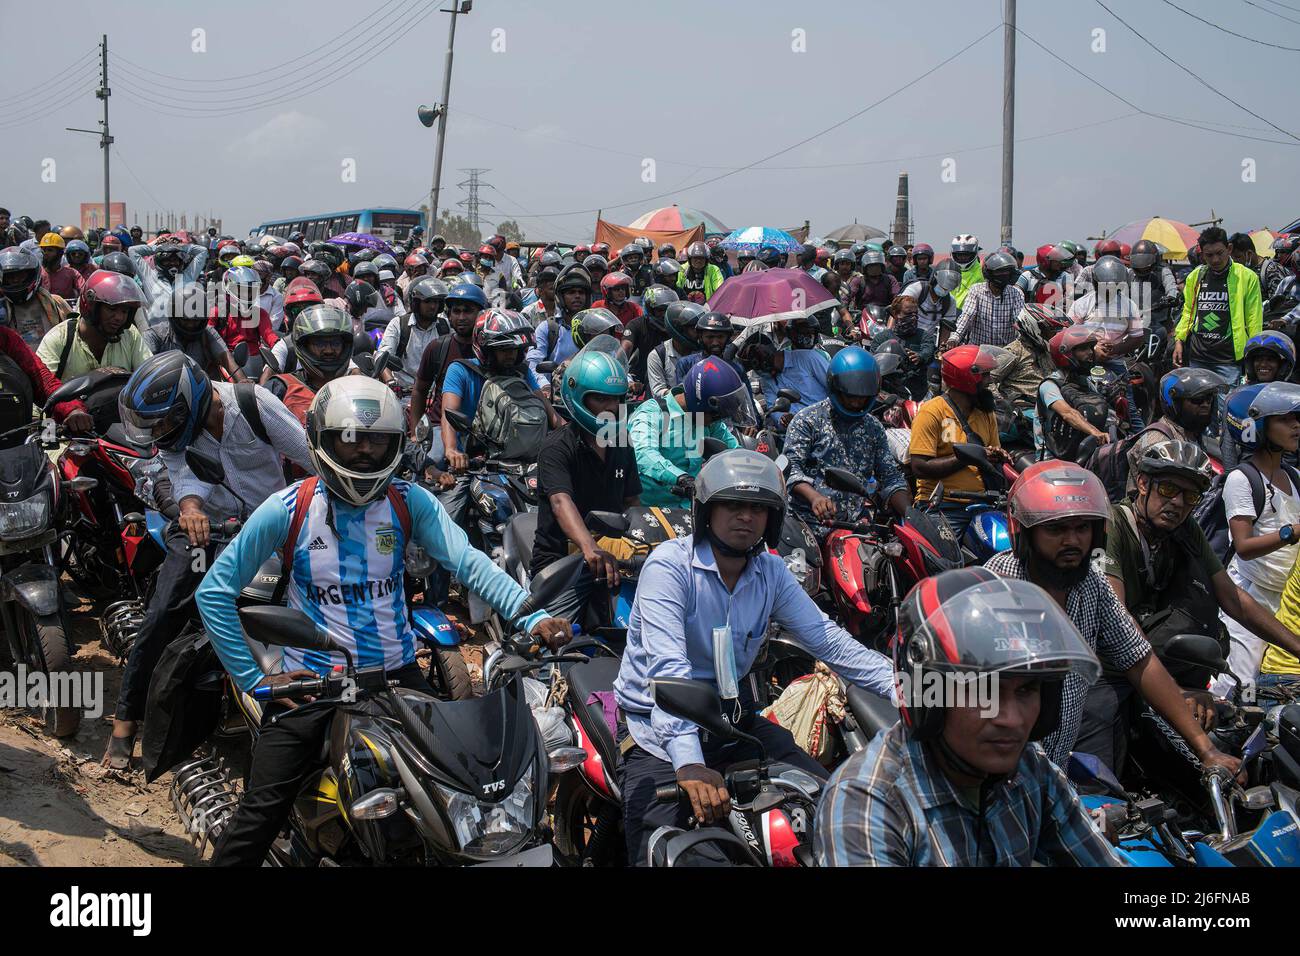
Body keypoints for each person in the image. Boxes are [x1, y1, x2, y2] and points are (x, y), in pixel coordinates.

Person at [196, 376, 571, 865]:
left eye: (378, 442)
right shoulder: (291, 508)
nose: (364, 454)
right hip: (316, 687)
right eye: (350, 441)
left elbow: (468, 562)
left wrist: (531, 614)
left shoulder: (408, 501)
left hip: (398, 679)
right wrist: (257, 680)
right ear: (320, 441)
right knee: (259, 815)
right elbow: (214, 592)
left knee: (463, 793)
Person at [614, 449, 896, 865]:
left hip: (733, 722)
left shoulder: (771, 572)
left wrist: (906, 688)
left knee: (838, 813)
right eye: (733, 504)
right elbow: (668, 673)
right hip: (658, 733)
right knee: (669, 854)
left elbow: (828, 641)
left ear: (772, 518)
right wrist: (690, 764)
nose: (745, 516)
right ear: (706, 511)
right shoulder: (670, 567)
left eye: (758, 508)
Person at [815, 567, 1124, 866]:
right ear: (929, 696)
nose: (1013, 719)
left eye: (1028, 689)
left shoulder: (1030, 769)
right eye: (983, 691)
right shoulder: (868, 804)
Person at [105, 352, 313, 769]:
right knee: (163, 612)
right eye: (154, 426)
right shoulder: (175, 439)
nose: (160, 433)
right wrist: (192, 509)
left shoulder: (255, 404)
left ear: (190, 401)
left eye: (164, 422)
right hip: (206, 528)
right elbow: (182, 475)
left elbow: (311, 457)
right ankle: (126, 719)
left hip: (271, 526)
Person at [1098, 442, 1300, 765]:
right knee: (1104, 782)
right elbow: (1121, 628)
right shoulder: (1113, 525)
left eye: (1189, 497)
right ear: (1142, 484)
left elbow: (1234, 599)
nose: (1177, 503)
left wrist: (1297, 647)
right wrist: (1174, 695)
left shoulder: (1185, 530)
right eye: (1167, 489)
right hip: (1108, 673)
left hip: (1158, 670)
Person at [531, 340, 642, 620]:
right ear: (578, 397)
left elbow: (632, 503)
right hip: (563, 561)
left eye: (616, 399)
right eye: (601, 399)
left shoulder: (620, 442)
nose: (611, 407)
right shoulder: (557, 446)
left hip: (614, 557)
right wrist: (588, 547)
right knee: (553, 641)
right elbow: (560, 501)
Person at [1210, 383, 1300, 699]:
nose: (1296, 425)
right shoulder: (1242, 479)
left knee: (1274, 691)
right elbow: (1244, 547)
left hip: (1283, 599)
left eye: (1296, 417)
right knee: (1237, 689)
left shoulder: (1293, 477)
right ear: (1256, 425)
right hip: (1248, 596)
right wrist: (1292, 532)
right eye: (1284, 419)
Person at [784, 347, 909, 534]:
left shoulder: (874, 428)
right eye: (850, 396)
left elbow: (890, 475)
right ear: (835, 387)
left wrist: (912, 515)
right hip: (809, 524)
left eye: (863, 397)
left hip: (856, 525)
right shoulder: (807, 420)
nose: (856, 403)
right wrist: (815, 497)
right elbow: (791, 469)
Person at [909, 344, 1010, 538]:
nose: (989, 381)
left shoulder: (986, 414)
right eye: (985, 375)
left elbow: (990, 455)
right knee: (946, 563)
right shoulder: (932, 412)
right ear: (967, 378)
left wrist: (997, 457)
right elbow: (919, 466)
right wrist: (969, 457)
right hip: (944, 506)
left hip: (983, 503)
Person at [629, 357, 751, 507]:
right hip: (651, 512)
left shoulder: (710, 420)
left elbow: (733, 450)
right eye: (717, 415)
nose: (718, 420)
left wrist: (751, 467)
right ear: (698, 401)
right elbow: (643, 453)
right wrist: (681, 478)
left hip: (693, 509)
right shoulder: (652, 412)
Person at [1172, 226, 1262, 392]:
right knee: (1198, 409)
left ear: (1229, 249)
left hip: (1228, 361)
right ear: (1202, 255)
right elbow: (1188, 312)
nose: (1215, 260)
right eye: (1209, 255)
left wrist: (1253, 357)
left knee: (1224, 411)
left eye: (1219, 253)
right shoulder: (1195, 276)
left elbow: (1254, 320)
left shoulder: (1247, 277)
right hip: (1198, 357)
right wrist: (1179, 339)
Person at [409, 282, 483, 465]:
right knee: (431, 464)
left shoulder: (491, 349)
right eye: (456, 312)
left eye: (468, 311)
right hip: (439, 425)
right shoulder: (438, 347)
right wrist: (415, 432)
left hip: (482, 428)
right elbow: (420, 390)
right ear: (448, 315)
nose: (461, 317)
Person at [1125, 367, 1224, 497]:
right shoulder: (1159, 442)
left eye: (1209, 399)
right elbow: (1151, 497)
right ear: (1175, 403)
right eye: (1197, 399)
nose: (1205, 404)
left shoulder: (1192, 434)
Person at [37, 270, 151, 381]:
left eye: (125, 311)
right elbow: (43, 386)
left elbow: (148, 373)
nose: (119, 317)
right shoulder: (58, 338)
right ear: (91, 306)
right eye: (112, 309)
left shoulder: (130, 334)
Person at [262, 304, 356, 424]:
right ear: (304, 346)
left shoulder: (356, 387)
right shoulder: (281, 387)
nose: (329, 351)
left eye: (336, 343)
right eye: (320, 344)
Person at [1034, 325, 1112, 461]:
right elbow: (1068, 413)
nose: (1089, 353)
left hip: (1080, 454)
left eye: (1090, 348)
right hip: (1050, 459)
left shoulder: (1085, 382)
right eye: (1083, 349)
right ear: (1066, 354)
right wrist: (1095, 432)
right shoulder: (1049, 385)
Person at [1219, 332, 1295, 470]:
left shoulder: (1294, 398)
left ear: (1283, 365)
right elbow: (1228, 444)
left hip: (1288, 469)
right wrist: (1231, 476)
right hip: (1249, 468)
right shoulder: (1238, 397)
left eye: (1270, 359)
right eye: (1258, 359)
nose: (1263, 364)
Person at [741, 315, 831, 428]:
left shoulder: (809, 358)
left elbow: (834, 386)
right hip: (796, 430)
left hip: (825, 422)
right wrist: (782, 419)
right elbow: (773, 408)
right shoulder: (766, 379)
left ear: (770, 352)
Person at [990, 302, 1068, 411]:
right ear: (1036, 327)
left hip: (1049, 406)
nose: (1054, 336)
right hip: (1024, 411)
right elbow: (988, 380)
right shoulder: (1014, 351)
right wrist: (1003, 404)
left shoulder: (1047, 351)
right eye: (1051, 331)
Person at [528, 266, 590, 391]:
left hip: (593, 392)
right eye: (571, 292)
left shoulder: (596, 327)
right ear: (560, 297)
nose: (577, 296)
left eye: (581, 292)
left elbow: (611, 358)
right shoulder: (548, 328)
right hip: (557, 397)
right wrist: (545, 386)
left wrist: (628, 381)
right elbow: (532, 364)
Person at [379, 275, 446, 389]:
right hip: (403, 394)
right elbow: (382, 357)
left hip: (436, 395)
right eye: (428, 301)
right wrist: (390, 382)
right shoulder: (399, 324)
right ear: (415, 302)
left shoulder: (445, 327)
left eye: (436, 301)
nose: (433, 306)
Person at [951, 250, 1024, 349]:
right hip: (977, 349)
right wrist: (955, 338)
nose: (1004, 275)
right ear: (989, 273)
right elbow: (967, 315)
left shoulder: (1017, 293)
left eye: (1007, 271)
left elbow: (1019, 320)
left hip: (1006, 352)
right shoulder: (976, 290)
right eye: (1000, 272)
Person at [1, 246, 71, 347]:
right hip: (13, 361)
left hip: (52, 359)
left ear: (31, 273)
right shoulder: (2, 307)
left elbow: (74, 332)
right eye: (10, 276)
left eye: (20, 275)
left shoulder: (55, 302)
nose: (15, 280)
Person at [129, 234, 208, 322]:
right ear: (160, 261)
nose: (172, 264)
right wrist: (157, 247)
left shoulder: (187, 276)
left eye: (175, 260)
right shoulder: (149, 276)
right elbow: (132, 251)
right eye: (168, 260)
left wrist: (180, 247)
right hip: (156, 333)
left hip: (181, 332)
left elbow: (203, 251)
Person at [871, 296, 934, 401]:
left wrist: (920, 357)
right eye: (908, 314)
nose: (913, 318)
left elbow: (928, 351)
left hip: (916, 394)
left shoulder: (924, 336)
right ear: (896, 314)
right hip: (886, 394)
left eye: (915, 314)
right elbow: (873, 362)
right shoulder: (882, 337)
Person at [622, 284, 677, 392]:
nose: (664, 314)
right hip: (641, 385)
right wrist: (627, 381)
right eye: (660, 310)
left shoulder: (678, 328)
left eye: (668, 310)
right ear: (649, 309)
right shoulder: (636, 325)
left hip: (673, 383)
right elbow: (625, 349)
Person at [646, 301, 705, 398]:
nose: (698, 334)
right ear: (679, 329)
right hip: (672, 409)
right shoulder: (658, 355)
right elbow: (658, 391)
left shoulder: (702, 350)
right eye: (693, 329)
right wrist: (679, 393)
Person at [1231, 231, 1288, 302]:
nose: (1235, 261)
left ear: (1249, 253)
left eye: (1238, 257)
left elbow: (1278, 304)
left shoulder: (1271, 270)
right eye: (1232, 258)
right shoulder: (1240, 273)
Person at [37, 232, 83, 301]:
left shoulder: (72, 273)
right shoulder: (37, 274)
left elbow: (84, 291)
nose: (46, 253)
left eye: (50, 250)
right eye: (44, 250)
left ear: (60, 253)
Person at [949, 234, 984, 310]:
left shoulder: (983, 271)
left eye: (966, 255)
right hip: (949, 315)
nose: (963, 258)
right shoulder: (948, 270)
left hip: (975, 315)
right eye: (959, 255)